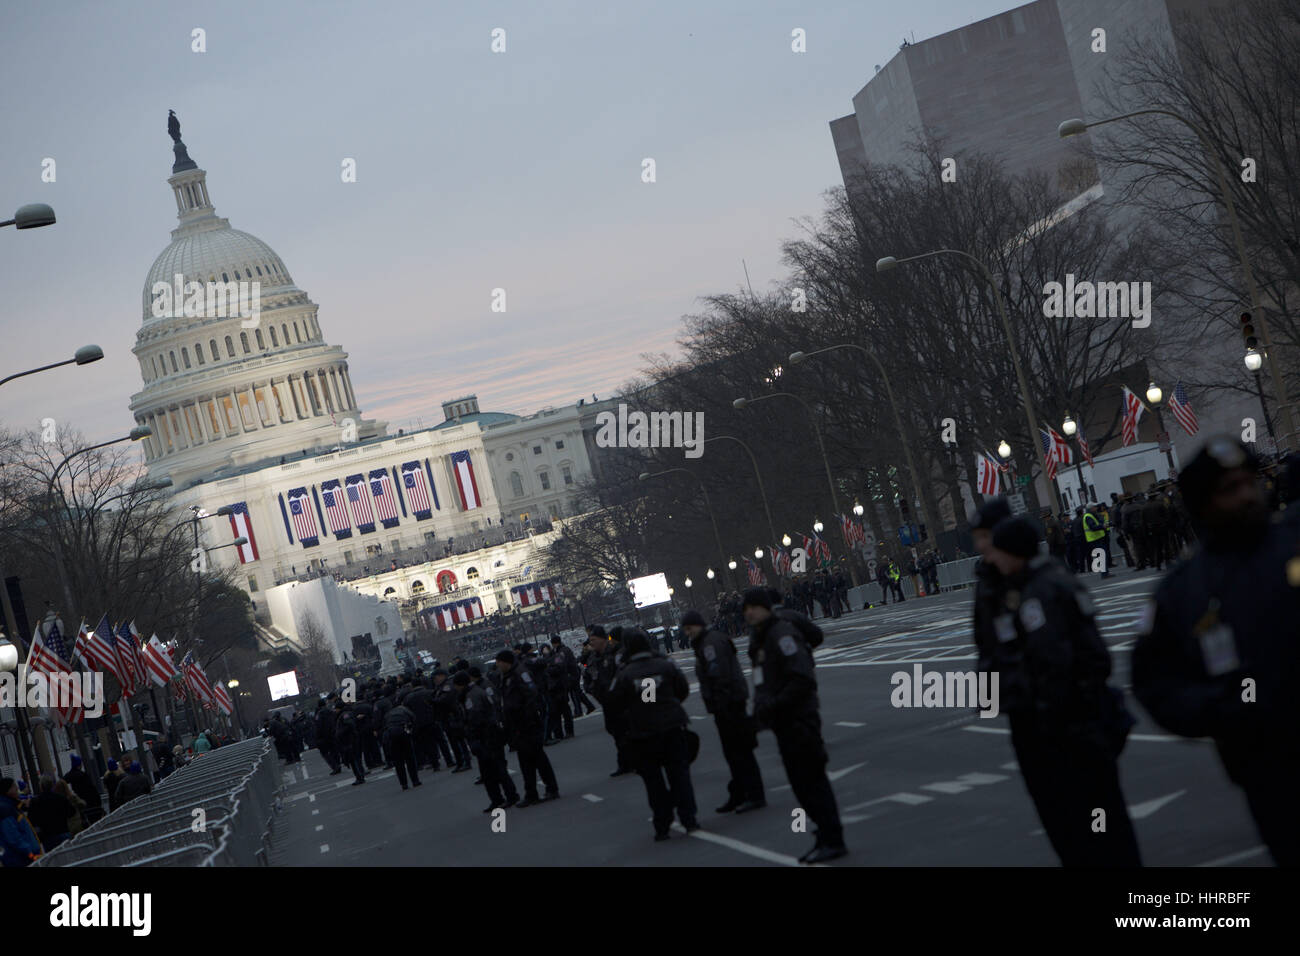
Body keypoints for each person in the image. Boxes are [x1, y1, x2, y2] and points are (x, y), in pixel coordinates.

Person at [1132, 437, 1299, 865]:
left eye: (1249, 482)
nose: (1247, 495)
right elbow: (1156, 681)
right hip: (1269, 766)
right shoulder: (1184, 591)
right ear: (1203, 504)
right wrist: (1223, 711)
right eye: (1230, 489)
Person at [981, 515, 1141, 866]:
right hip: (1088, 718)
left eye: (998, 552)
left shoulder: (1036, 594)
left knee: (1084, 826)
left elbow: (1052, 663)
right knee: (1106, 819)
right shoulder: (1055, 579)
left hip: (1069, 728)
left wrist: (1036, 708)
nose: (993, 560)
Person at [743, 587, 847, 863]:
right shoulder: (762, 638)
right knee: (801, 784)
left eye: (753, 606)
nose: (749, 612)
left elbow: (801, 679)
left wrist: (774, 704)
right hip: (782, 720)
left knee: (812, 780)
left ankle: (832, 837)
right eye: (746, 608)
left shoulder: (781, 634)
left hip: (798, 717)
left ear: (766, 607)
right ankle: (823, 835)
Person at [607, 628, 698, 840]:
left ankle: (662, 824)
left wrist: (632, 714)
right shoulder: (665, 664)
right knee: (680, 775)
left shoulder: (625, 672)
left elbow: (613, 701)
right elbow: (682, 688)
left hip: (643, 732)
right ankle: (689, 819)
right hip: (672, 726)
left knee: (653, 782)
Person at [684, 609, 764, 814]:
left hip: (728, 703)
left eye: (689, 628)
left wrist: (720, 701)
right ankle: (741, 792)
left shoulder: (710, 643)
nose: (687, 633)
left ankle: (753, 794)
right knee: (735, 752)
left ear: (698, 625)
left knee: (740, 751)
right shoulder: (709, 641)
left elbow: (719, 674)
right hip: (727, 702)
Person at [496, 649, 560, 806]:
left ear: (506, 662)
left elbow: (531, 695)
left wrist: (527, 717)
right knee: (525, 761)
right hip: (517, 724)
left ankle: (551, 788)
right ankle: (531, 793)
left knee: (538, 757)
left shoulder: (519, 673)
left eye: (499, 662)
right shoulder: (508, 676)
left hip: (527, 723)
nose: (498, 666)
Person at [458, 670, 519, 812]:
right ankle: (498, 799)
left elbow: (476, 717)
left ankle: (509, 796)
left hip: (487, 736)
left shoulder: (474, 694)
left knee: (496, 768)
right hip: (487, 735)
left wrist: (473, 733)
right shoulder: (475, 691)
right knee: (488, 771)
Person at [584, 625, 633, 776]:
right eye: (590, 640)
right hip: (606, 702)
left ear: (603, 639)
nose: (591, 643)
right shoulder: (593, 658)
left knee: (626, 732)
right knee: (614, 731)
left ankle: (632, 760)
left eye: (593, 640)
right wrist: (592, 689)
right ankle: (624, 763)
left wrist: (646, 701)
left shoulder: (614, 654)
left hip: (621, 701)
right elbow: (588, 677)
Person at [27, 774, 74, 852]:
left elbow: (31, 820)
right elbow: (71, 812)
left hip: (47, 836)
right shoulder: (61, 798)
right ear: (52, 785)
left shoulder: (35, 802)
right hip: (63, 830)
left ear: (41, 786)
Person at [0, 778, 42, 867]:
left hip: (23, 858)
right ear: (8, 790)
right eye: (14, 786)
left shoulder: (10, 807)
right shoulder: (6, 810)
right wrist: (31, 854)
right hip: (22, 860)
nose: (17, 789)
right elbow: (14, 838)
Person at [382, 700, 422, 790]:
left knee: (398, 762)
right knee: (410, 758)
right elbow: (414, 718)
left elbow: (384, 726)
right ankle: (415, 780)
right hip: (404, 733)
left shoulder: (388, 714)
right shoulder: (404, 710)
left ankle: (404, 784)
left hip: (392, 736)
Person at [63, 754, 102, 826]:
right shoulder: (83, 775)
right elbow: (92, 789)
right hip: (90, 802)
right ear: (79, 765)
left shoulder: (69, 776)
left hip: (79, 804)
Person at [334, 700, 367, 785]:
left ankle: (359, 776)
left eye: (336, 708)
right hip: (351, 739)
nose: (335, 710)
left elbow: (350, 724)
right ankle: (360, 775)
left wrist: (341, 732)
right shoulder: (347, 713)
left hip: (350, 740)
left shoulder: (345, 715)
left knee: (354, 759)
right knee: (355, 759)